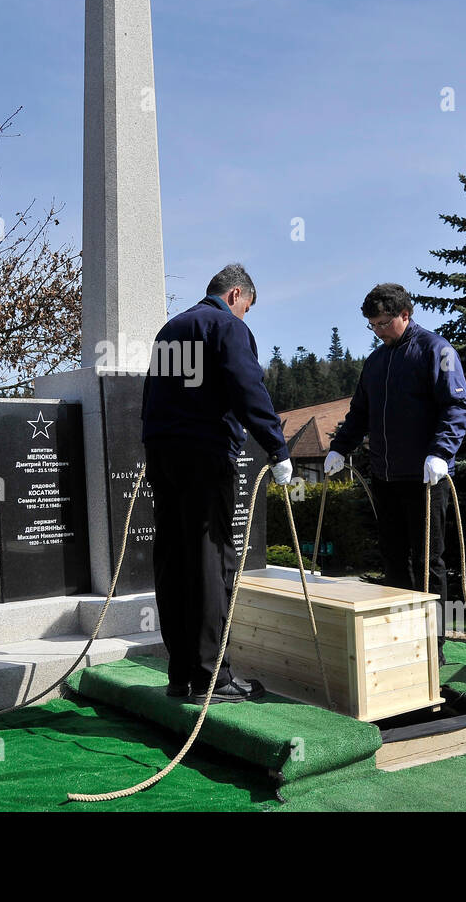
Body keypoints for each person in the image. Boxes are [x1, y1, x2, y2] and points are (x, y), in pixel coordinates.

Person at [141, 264, 292, 704]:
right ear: (236, 294)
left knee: (174, 560)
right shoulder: (226, 326)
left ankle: (180, 673)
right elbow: (247, 388)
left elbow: (156, 396)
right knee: (211, 563)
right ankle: (213, 678)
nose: (245, 316)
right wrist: (277, 448)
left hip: (163, 454)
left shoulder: (172, 329)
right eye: (246, 307)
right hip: (205, 457)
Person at [324, 283, 466, 661]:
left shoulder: (438, 352)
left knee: (428, 562)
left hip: (426, 478)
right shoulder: (375, 362)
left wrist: (440, 452)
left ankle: (432, 646)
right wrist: (340, 446)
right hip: (385, 476)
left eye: (385, 322)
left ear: (407, 314)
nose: (379, 331)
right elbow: (359, 413)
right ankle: (401, 638)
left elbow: (457, 407)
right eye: (372, 325)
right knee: (392, 559)